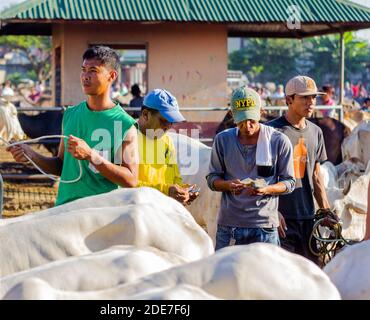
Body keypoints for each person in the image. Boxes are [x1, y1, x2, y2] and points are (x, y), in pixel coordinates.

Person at [8, 46, 139, 205]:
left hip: (101, 213)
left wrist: (91, 155)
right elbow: (61, 166)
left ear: (111, 76)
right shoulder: (70, 115)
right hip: (65, 209)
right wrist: (31, 155)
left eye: (93, 70)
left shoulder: (125, 124)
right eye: (83, 70)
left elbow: (131, 180)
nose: (85, 76)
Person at [207, 86, 295, 250]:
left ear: (261, 113)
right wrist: (227, 185)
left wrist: (267, 189)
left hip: (265, 226)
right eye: (241, 121)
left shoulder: (279, 141)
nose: (247, 126)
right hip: (230, 227)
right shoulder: (222, 140)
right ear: (233, 116)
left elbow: (289, 182)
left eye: (252, 120)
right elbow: (212, 179)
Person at [267, 75, 331, 264]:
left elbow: (316, 175)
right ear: (288, 100)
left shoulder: (316, 132)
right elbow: (260, 177)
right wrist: (272, 211)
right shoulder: (271, 132)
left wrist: (326, 210)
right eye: (304, 97)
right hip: (281, 220)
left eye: (313, 97)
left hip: (308, 218)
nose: (311, 102)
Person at [136, 88, 199, 205]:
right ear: (145, 114)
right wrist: (166, 190)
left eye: (171, 122)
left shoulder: (167, 141)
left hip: (163, 212)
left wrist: (183, 191)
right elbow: (125, 184)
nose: (168, 127)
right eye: (164, 121)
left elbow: (175, 178)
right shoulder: (128, 139)